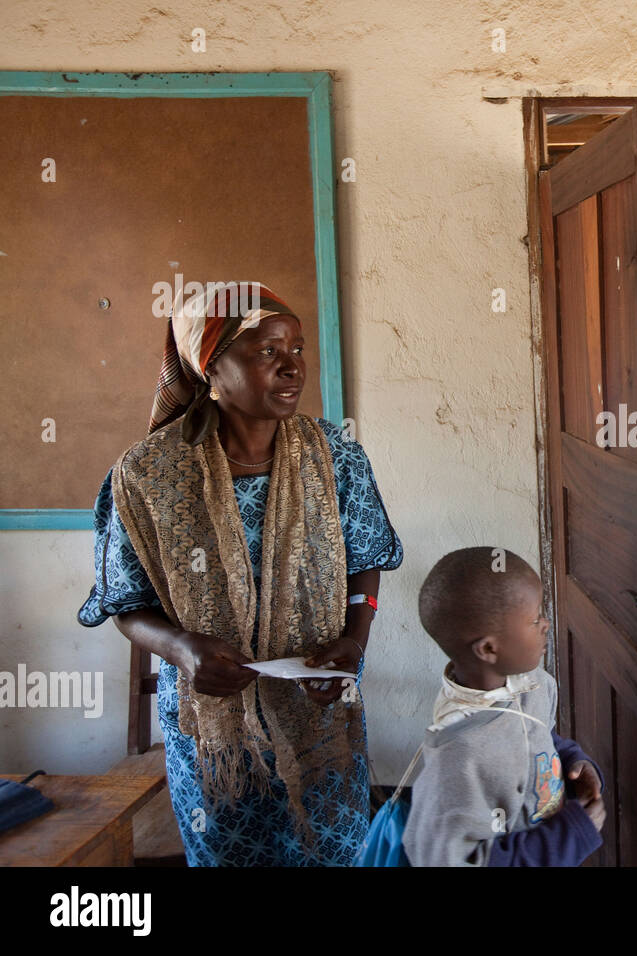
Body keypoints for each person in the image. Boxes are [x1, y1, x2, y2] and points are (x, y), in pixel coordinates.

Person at [77, 281, 403, 866]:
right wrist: (180, 648)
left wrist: (355, 640)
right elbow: (123, 603)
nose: (291, 369)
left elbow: (366, 562)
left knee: (334, 850)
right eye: (266, 353)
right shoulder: (147, 473)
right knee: (229, 853)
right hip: (211, 729)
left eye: (297, 350)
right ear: (210, 367)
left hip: (318, 713)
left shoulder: (335, 455)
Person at [404, 547, 605, 867]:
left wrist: (574, 762)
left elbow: (541, 739)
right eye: (535, 617)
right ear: (488, 648)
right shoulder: (457, 756)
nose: (546, 624)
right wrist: (571, 834)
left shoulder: (532, 684)